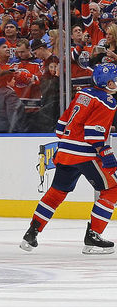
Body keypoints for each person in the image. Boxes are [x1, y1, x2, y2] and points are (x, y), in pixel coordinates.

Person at [20, 63, 117, 254]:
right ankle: (93, 237)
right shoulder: (107, 100)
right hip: (85, 152)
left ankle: (32, 233)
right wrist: (105, 153)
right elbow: (92, 134)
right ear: (108, 81)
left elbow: (60, 127)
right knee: (112, 190)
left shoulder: (82, 94)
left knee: (56, 193)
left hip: (64, 150)